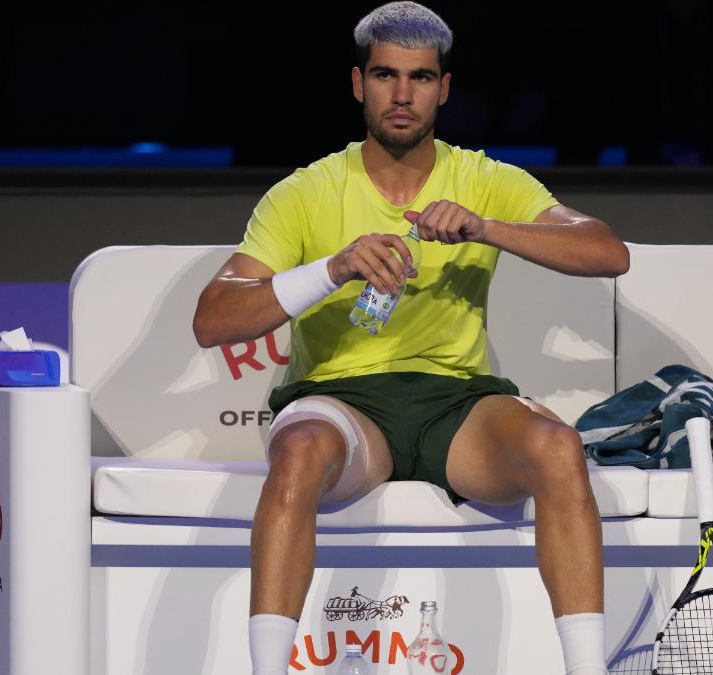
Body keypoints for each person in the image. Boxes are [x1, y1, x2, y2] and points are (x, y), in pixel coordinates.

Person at [192, 3, 628, 673]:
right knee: (300, 447)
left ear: (444, 88)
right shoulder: (304, 193)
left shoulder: (486, 180)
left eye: (420, 78)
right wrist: (333, 267)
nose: (402, 95)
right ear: (357, 83)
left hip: (459, 408)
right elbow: (214, 317)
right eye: (385, 75)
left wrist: (486, 227)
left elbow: (605, 250)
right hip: (343, 408)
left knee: (557, 445)